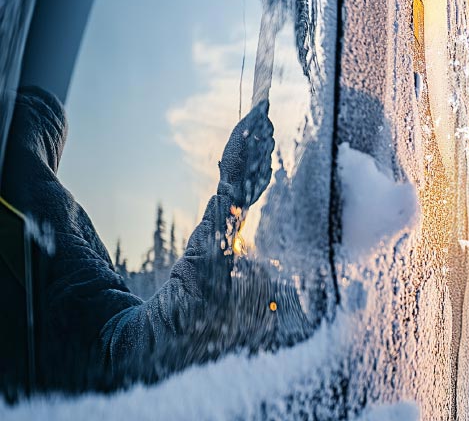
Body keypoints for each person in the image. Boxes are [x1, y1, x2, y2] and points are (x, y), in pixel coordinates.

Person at [0, 86, 308, 398]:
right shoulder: (30, 210)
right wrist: (230, 200)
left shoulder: (33, 221)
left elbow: (124, 353)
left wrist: (230, 201)